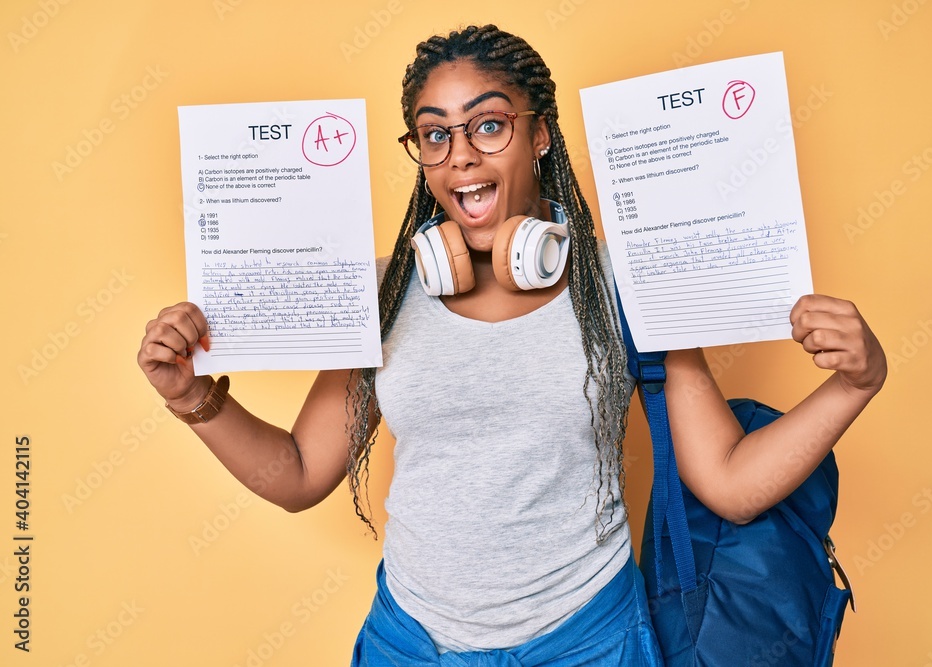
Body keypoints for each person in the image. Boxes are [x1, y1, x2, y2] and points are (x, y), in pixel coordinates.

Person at [137, 24, 887, 666]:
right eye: (435, 133)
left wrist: (854, 383)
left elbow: (728, 479)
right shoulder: (382, 293)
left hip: (589, 639)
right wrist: (193, 397)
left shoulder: (622, 284)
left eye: (487, 124)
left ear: (540, 134)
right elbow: (300, 473)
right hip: (412, 641)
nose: (459, 153)